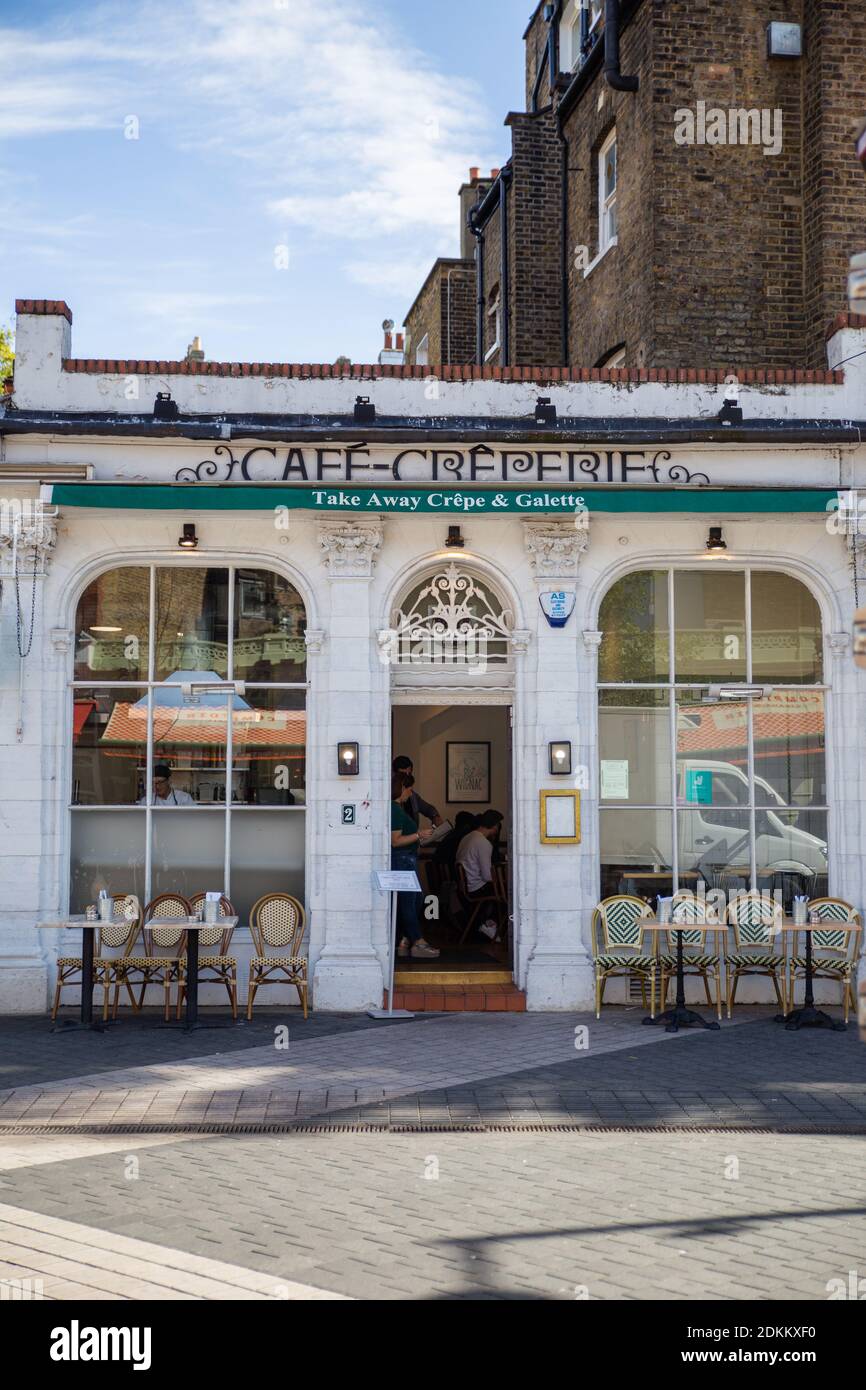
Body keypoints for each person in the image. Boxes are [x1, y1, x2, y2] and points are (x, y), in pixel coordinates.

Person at [391, 772, 439, 960]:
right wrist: (420, 834)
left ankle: (404, 940)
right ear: (401, 788)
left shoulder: (397, 809)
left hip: (405, 859)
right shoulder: (394, 809)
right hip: (403, 860)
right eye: (409, 789)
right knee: (410, 902)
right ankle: (417, 941)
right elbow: (395, 840)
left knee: (413, 901)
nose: (411, 794)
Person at [456, 809, 505, 941]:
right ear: (494, 826)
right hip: (476, 888)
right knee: (507, 894)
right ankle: (492, 926)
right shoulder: (483, 843)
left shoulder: (467, 837)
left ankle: (487, 923)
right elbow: (487, 876)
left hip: (464, 887)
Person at [392, 755, 443, 828]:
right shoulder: (389, 798)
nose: (407, 777)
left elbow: (428, 808)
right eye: (403, 774)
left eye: (409, 774)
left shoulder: (413, 795)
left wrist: (435, 816)